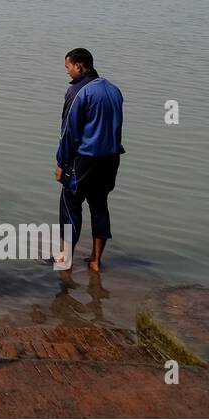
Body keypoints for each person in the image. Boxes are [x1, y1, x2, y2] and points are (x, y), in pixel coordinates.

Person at [55, 48, 125, 272]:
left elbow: (69, 132)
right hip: (110, 160)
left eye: (68, 67)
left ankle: (65, 258)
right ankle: (96, 260)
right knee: (99, 206)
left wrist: (61, 163)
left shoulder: (78, 92)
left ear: (79, 66)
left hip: (84, 160)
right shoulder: (114, 90)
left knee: (70, 205)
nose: (67, 72)